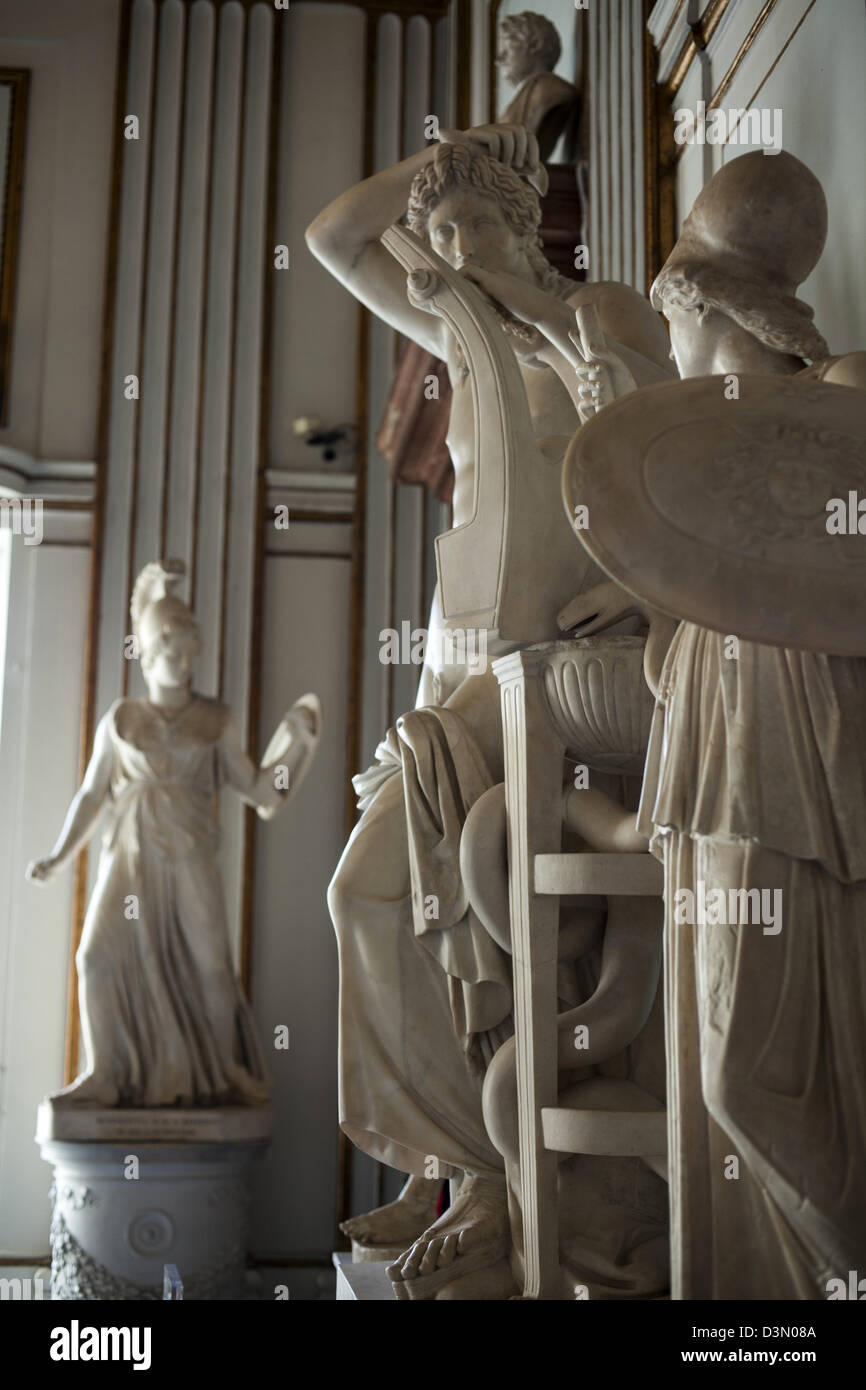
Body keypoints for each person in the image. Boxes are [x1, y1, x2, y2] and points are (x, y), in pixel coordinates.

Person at [306, 123, 672, 1297]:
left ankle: (497, 1184)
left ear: (523, 224)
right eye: (439, 231)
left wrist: (631, 590)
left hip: (573, 660)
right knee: (368, 892)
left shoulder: (598, 318)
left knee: (489, 910)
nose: (445, 249)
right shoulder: (452, 338)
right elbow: (333, 236)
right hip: (463, 662)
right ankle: (465, 1167)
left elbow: (674, 469)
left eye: (469, 224)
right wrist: (445, 159)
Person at [556, 151, 866, 1298]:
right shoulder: (704, 471)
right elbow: (682, 654)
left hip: (802, 753)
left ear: (693, 304)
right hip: (725, 748)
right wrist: (651, 574)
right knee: (716, 1067)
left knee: (758, 1076)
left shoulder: (846, 390)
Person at [27, 560, 319, 1110]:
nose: (183, 663)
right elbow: (92, 795)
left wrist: (297, 743)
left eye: (189, 650)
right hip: (130, 852)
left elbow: (261, 792)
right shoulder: (120, 719)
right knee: (94, 957)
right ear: (145, 652)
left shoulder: (215, 721)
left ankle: (221, 1075)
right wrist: (60, 856)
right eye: (170, 650)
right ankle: (106, 1075)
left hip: (189, 853)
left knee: (211, 962)